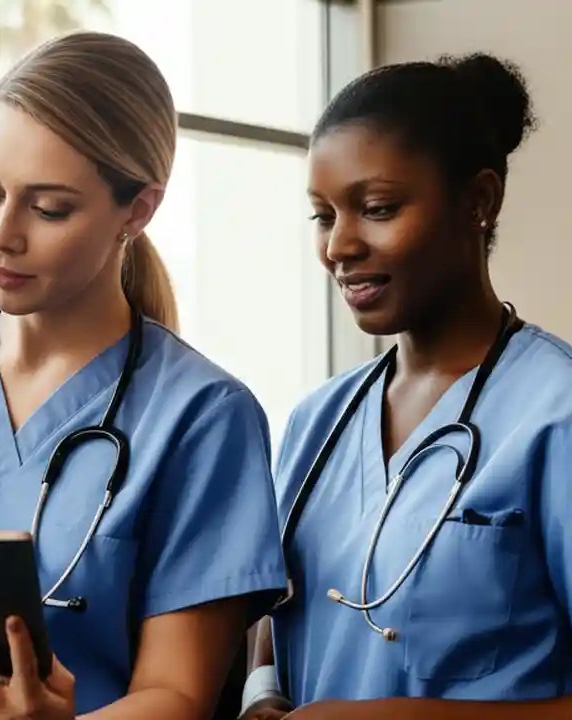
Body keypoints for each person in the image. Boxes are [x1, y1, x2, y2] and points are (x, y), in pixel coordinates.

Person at [0, 32, 287, 720]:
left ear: (137, 210)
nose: (1, 234)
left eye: (48, 209)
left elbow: (177, 695)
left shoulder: (202, 416)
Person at [241, 53, 572, 720]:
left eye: (378, 207)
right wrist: (262, 698)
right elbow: (273, 623)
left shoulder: (555, 414)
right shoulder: (318, 421)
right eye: (323, 215)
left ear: (479, 201)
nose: (339, 245)